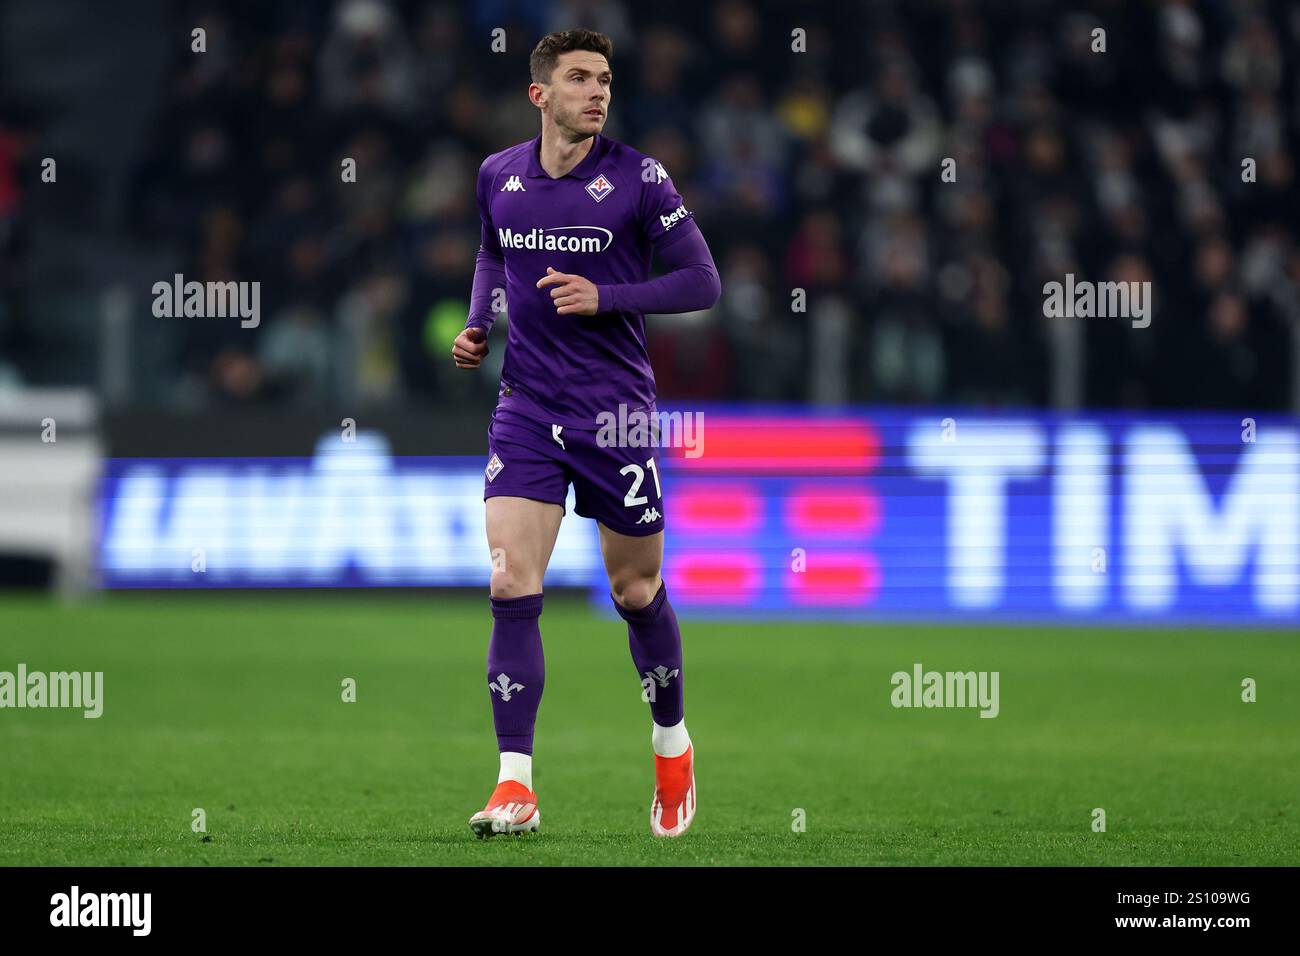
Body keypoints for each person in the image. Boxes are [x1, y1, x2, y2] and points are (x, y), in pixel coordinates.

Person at [451, 29, 721, 838]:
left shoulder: (640, 179)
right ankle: (515, 785)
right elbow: (493, 254)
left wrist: (606, 297)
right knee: (510, 585)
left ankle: (672, 746)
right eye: (579, 78)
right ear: (541, 94)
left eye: (604, 79)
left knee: (634, 590)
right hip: (528, 406)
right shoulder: (498, 174)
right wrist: (477, 324)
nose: (597, 91)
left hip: (617, 414)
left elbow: (702, 281)